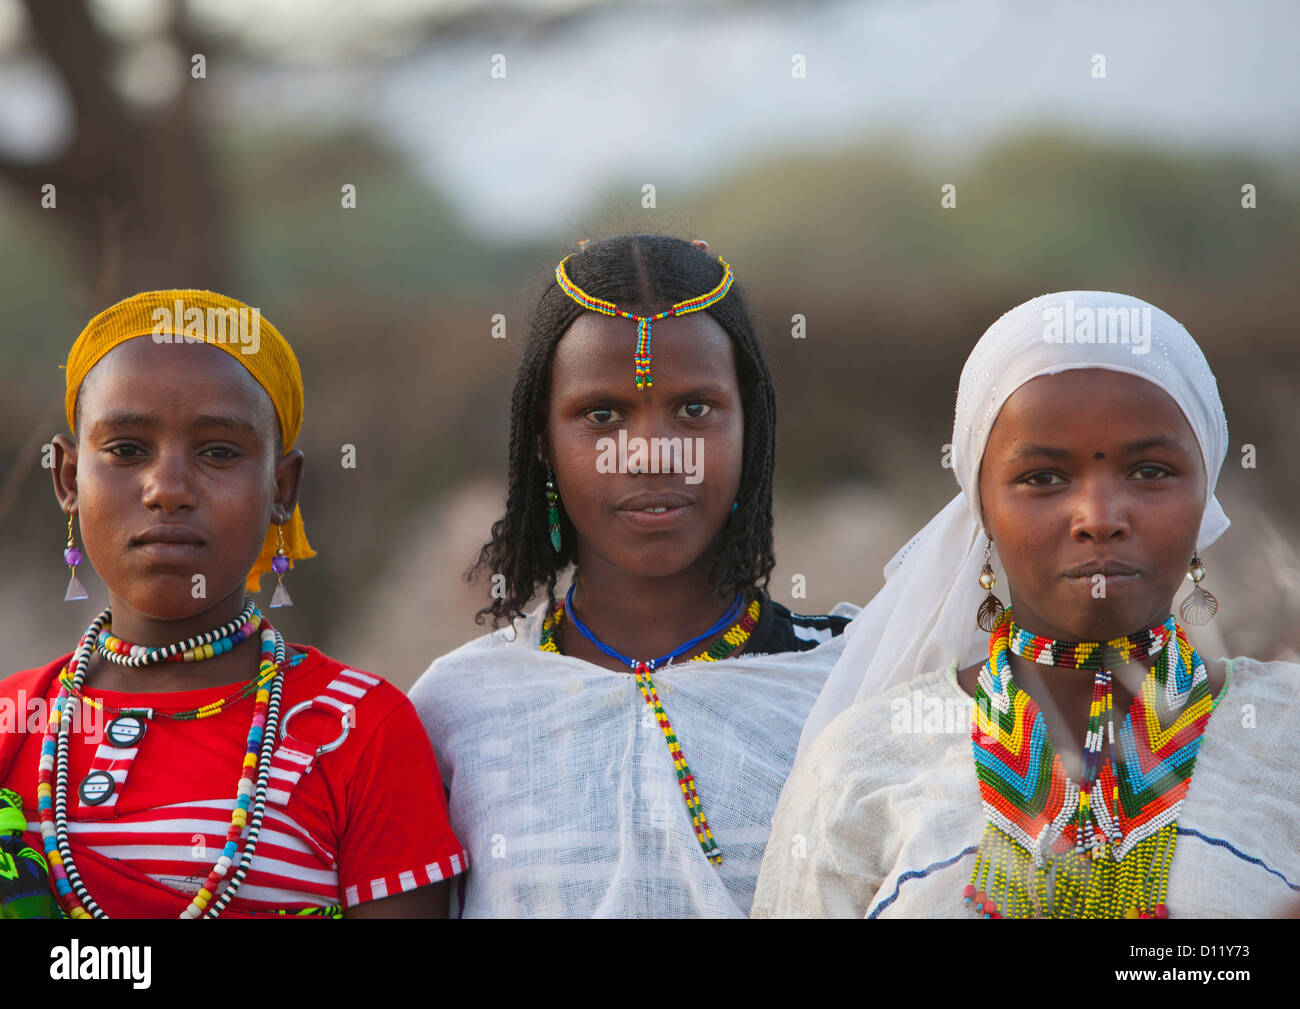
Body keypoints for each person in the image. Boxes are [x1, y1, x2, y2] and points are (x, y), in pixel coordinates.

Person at [751, 291, 1300, 919]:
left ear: (1205, 493)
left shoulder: (1285, 735)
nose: (1099, 517)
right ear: (982, 509)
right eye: (1042, 477)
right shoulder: (864, 761)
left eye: (1150, 471)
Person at [409, 235, 858, 917]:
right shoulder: (458, 711)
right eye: (602, 414)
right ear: (542, 442)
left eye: (695, 409)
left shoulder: (849, 681)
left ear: (751, 427)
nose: (650, 454)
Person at [0, 289, 467, 918]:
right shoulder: (14, 722)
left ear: (282, 488)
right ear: (67, 479)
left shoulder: (361, 733)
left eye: (218, 451)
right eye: (126, 449)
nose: (167, 489)